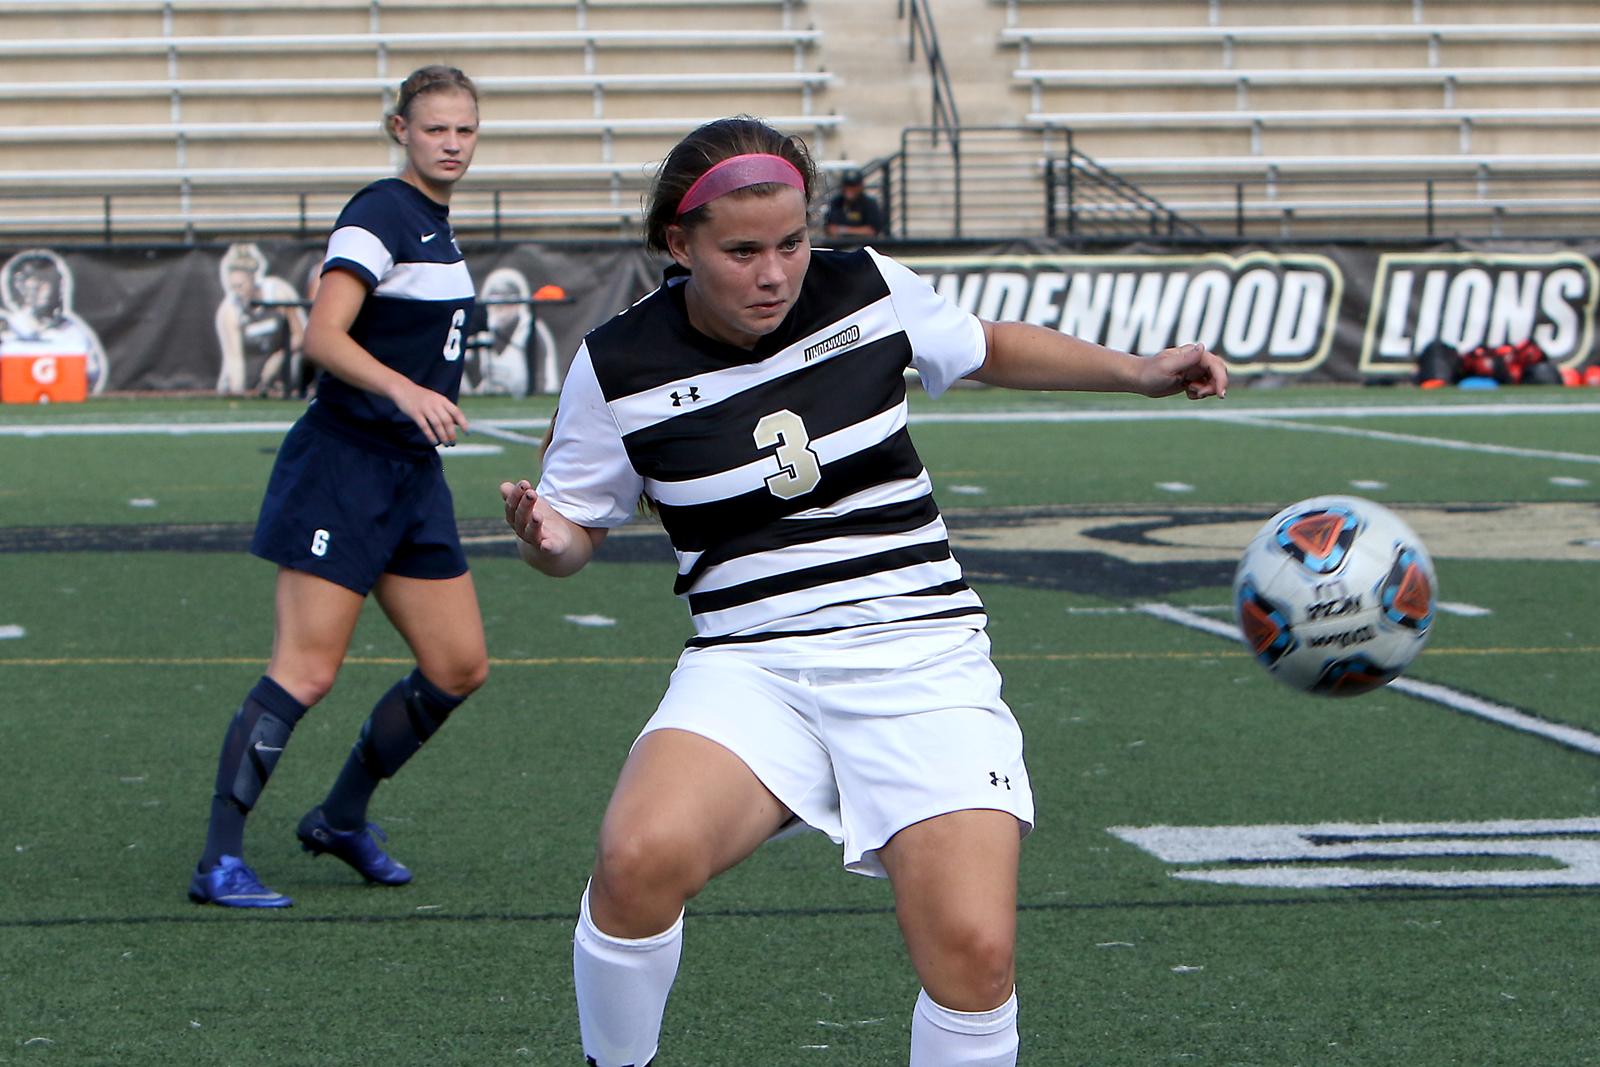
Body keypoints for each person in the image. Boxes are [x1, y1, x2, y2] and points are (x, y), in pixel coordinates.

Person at [500, 116, 1227, 1065]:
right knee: (637, 860)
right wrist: (550, 537)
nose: (774, 273)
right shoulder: (619, 363)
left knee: (974, 954)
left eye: (792, 244)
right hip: (751, 664)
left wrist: (1138, 372)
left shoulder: (868, 289)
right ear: (679, 247)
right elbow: (572, 535)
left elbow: (987, 347)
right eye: (743, 251)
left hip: (921, 653)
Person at [188, 65, 489, 908]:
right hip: (343, 468)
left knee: (458, 666)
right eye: (436, 129)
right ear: (401, 130)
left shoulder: (436, 224)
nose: (452, 143)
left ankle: (340, 816)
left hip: (409, 478)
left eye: (465, 129)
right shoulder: (380, 212)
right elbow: (323, 334)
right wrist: (404, 387)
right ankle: (218, 859)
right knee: (306, 670)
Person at [823, 166, 885, 239]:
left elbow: (871, 230)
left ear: (861, 186)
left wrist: (842, 230)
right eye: (847, 186)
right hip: (839, 245)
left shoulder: (869, 203)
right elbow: (831, 229)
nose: (850, 189)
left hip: (863, 245)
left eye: (853, 186)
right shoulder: (836, 202)